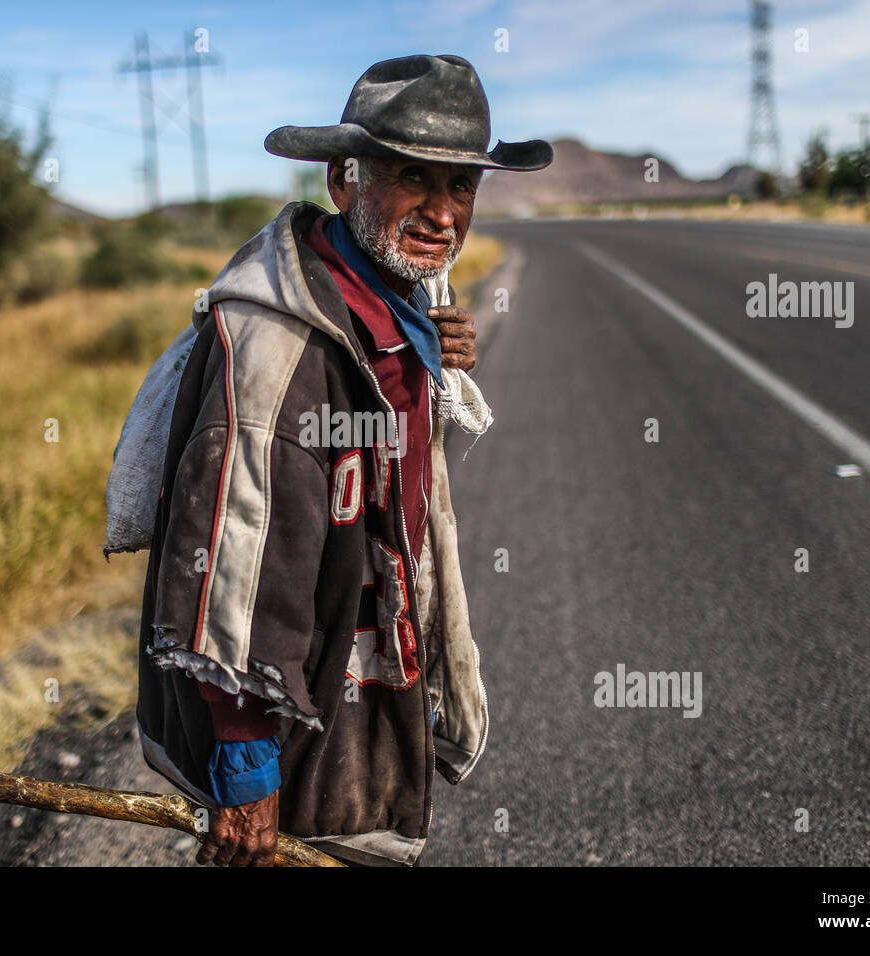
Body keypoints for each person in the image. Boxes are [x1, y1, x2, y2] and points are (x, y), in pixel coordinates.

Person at [134, 53, 552, 867]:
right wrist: (245, 767)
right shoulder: (276, 351)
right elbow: (239, 571)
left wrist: (436, 341)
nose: (441, 212)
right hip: (287, 697)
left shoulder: (393, 293)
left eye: (459, 186)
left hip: (358, 662)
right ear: (345, 181)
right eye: (412, 179)